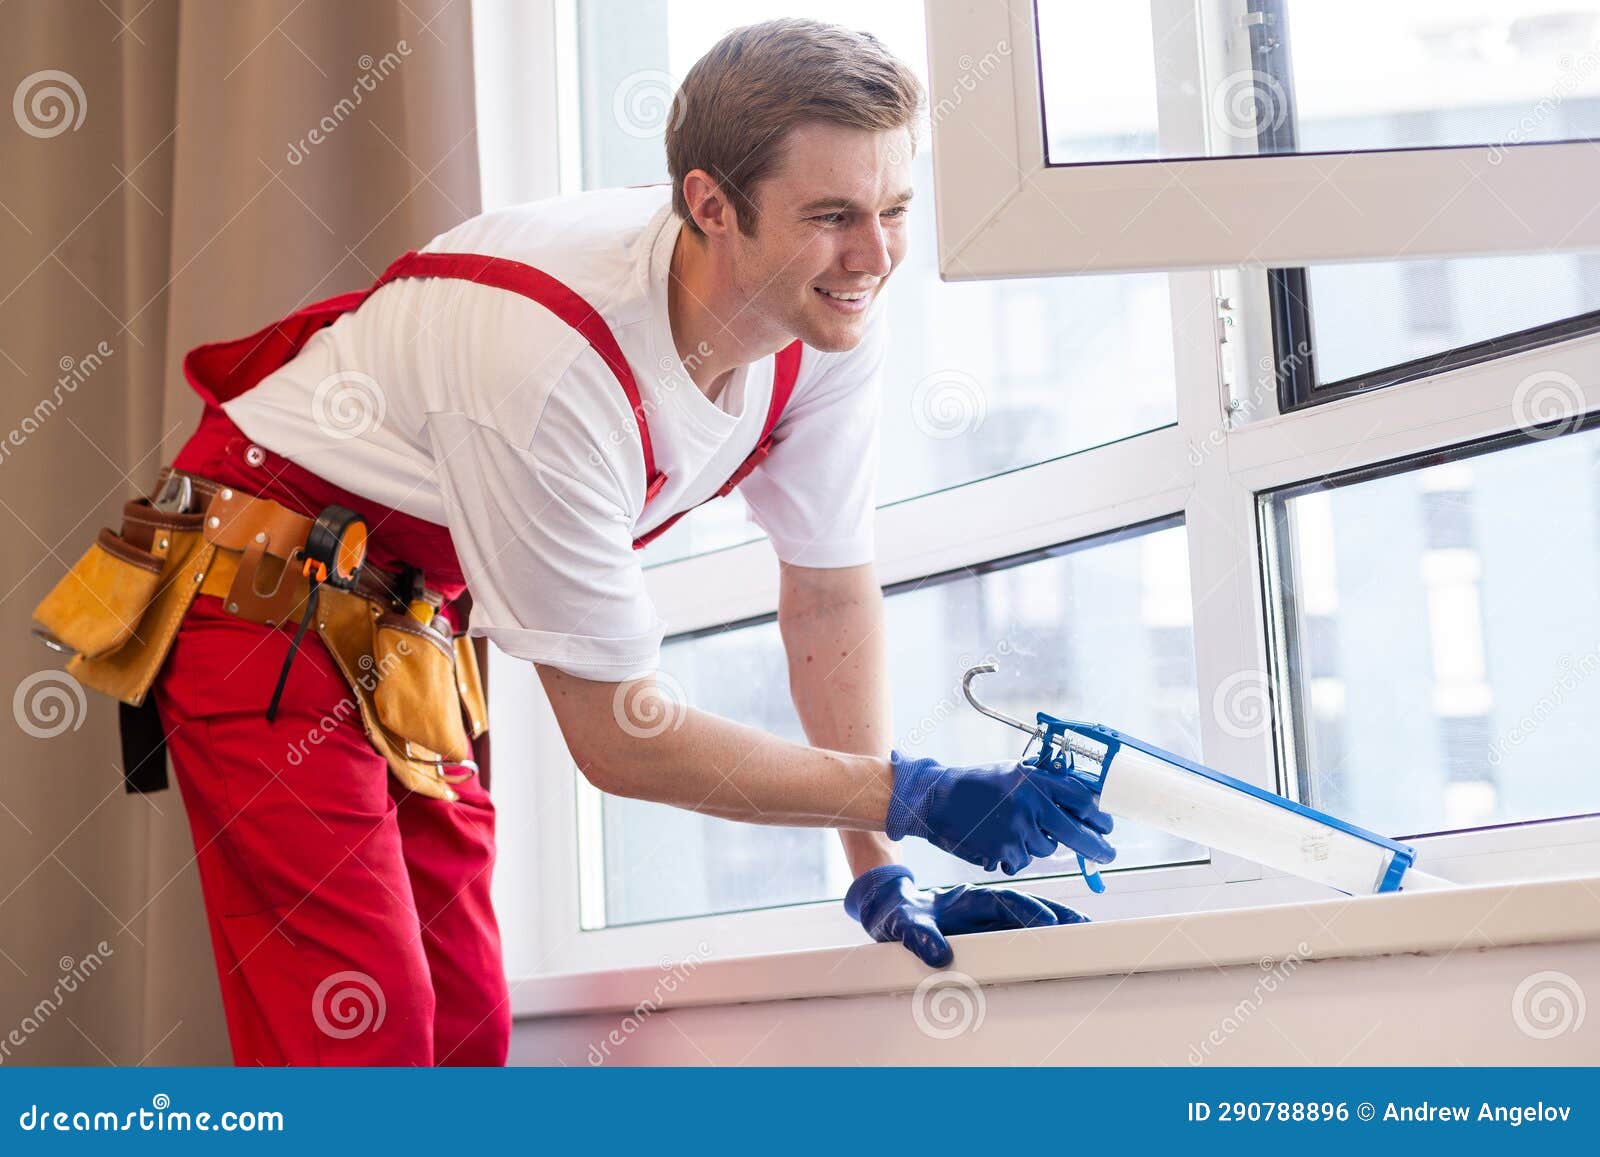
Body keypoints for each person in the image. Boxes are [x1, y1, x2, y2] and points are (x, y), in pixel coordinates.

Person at [148, 18, 1114, 1066]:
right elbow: (617, 739)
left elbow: (827, 594)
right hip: (257, 588)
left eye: (893, 210)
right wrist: (908, 789)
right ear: (710, 204)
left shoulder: (821, 321)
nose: (875, 257)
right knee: (361, 1027)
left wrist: (878, 866)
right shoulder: (553, 362)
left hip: (404, 615)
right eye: (832, 215)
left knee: (466, 1023)